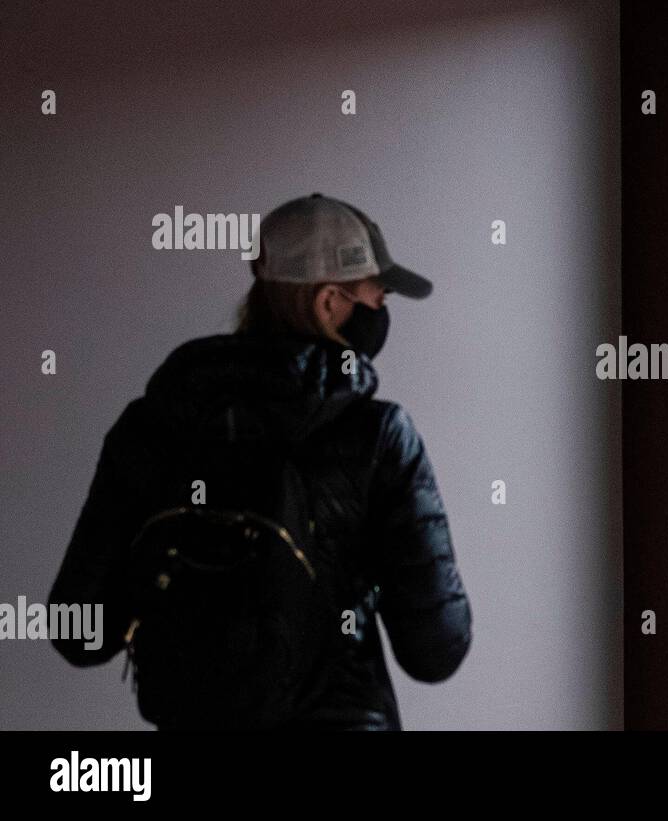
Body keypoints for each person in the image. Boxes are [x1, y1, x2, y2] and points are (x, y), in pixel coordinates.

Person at [47, 193, 471, 730]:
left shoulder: (152, 424)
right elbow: (436, 651)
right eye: (378, 297)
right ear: (329, 303)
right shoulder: (381, 436)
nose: (381, 312)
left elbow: (77, 632)